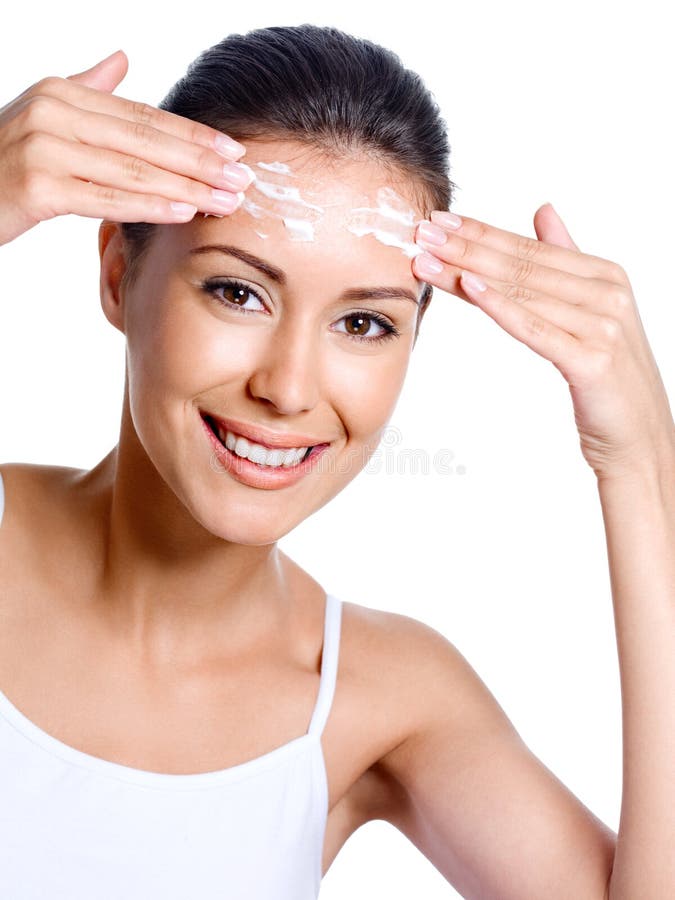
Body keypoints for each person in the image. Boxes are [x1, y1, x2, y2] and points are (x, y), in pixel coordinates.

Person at [0, 23, 673, 900]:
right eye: (237, 290)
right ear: (119, 277)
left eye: (364, 323)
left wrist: (640, 459)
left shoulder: (382, 699)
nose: (287, 388)